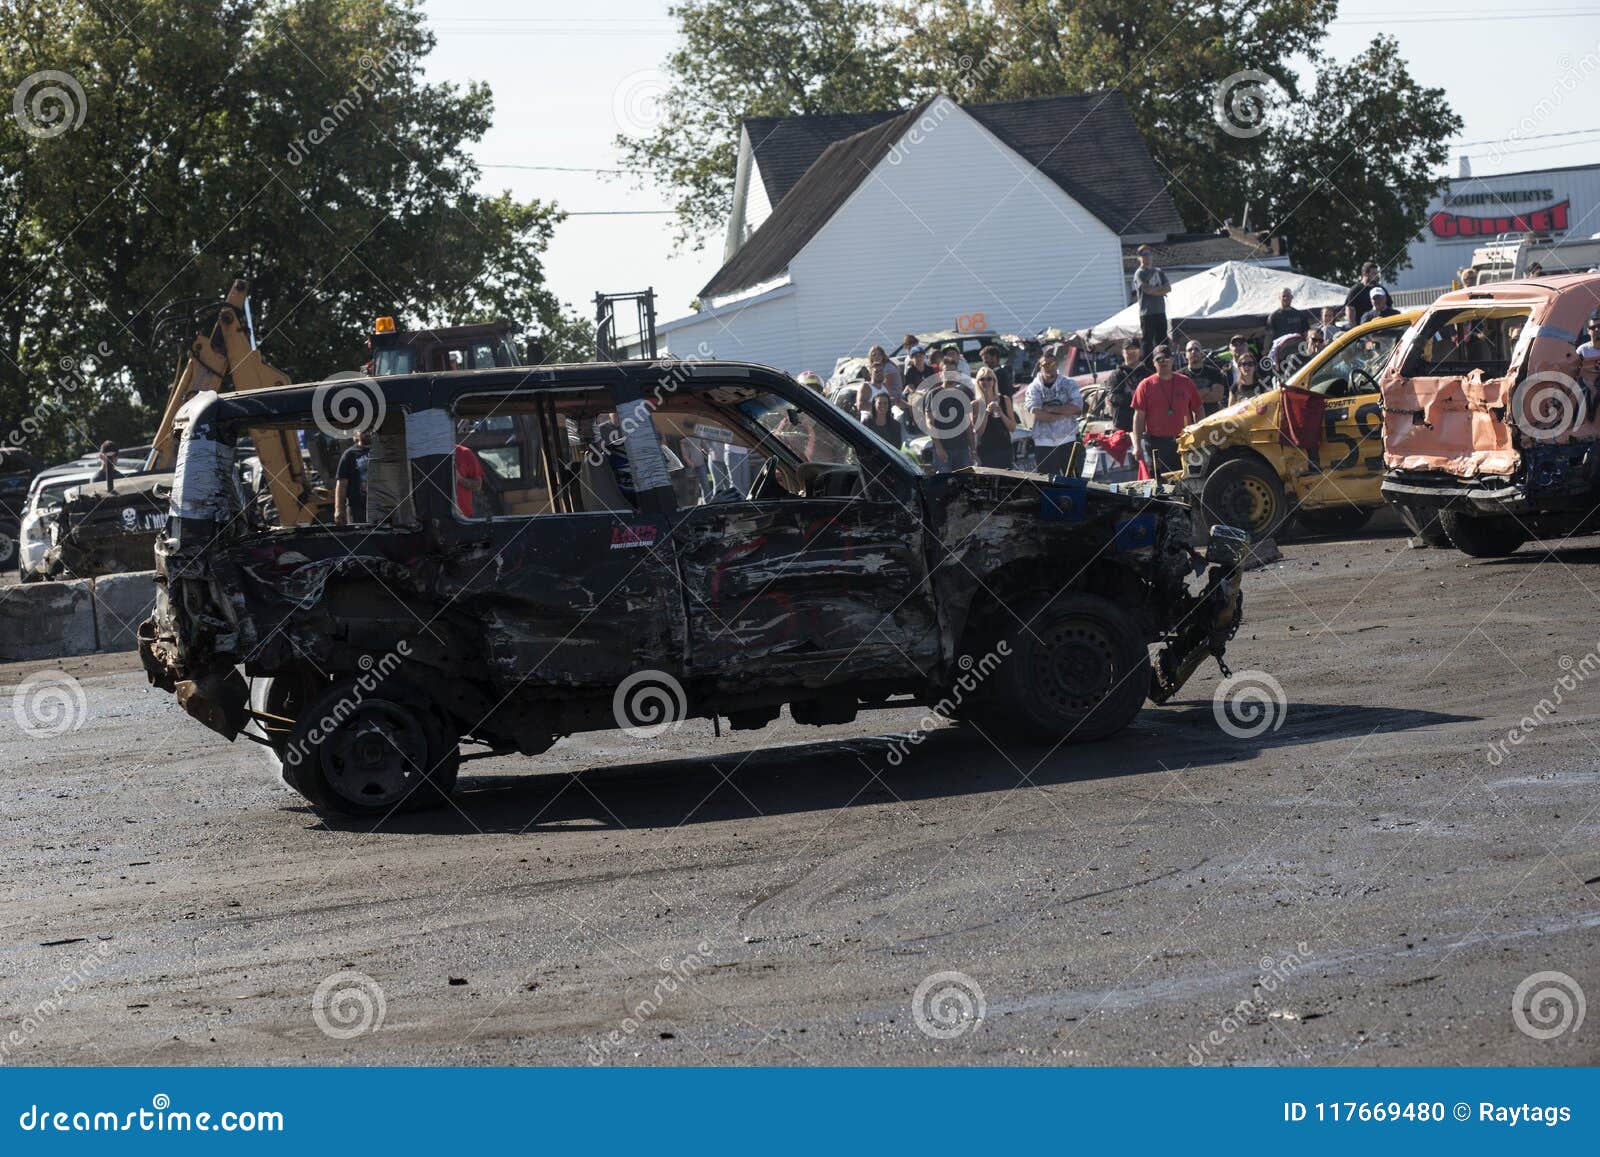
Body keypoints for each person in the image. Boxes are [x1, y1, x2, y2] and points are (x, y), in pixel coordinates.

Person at [1131, 345, 1203, 479]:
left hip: (1183, 442)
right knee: (1159, 483)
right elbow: (1139, 418)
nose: (1163, 361)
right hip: (1156, 444)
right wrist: (1137, 446)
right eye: (1159, 359)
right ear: (1154, 363)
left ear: (1173, 360)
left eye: (1166, 358)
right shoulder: (1145, 385)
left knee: (1186, 480)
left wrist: (1198, 435)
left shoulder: (1185, 382)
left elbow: (1198, 409)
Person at [1023, 352, 1084, 476]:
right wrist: (1064, 412)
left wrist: (1049, 409)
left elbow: (1077, 407)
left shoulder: (1069, 383)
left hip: (1069, 440)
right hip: (1044, 443)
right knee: (1049, 485)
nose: (1049, 367)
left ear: (1057, 365)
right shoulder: (1033, 388)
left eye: (1053, 364)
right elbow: (1037, 413)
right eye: (1045, 365)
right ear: (1040, 367)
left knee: (1074, 480)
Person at [915, 347, 976, 471]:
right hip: (943, 449)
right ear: (941, 374)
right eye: (946, 372)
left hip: (962, 448)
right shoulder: (933, 394)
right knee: (944, 485)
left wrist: (973, 449)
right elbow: (930, 423)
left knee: (963, 485)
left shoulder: (963, 393)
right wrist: (939, 447)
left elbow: (968, 424)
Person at [1131, 244, 1171, 362]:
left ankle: (1165, 361)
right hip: (1147, 313)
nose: (1147, 257)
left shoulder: (1159, 271)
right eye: (1144, 254)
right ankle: (1148, 365)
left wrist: (1156, 291)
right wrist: (1160, 290)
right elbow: (1146, 289)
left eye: (1149, 254)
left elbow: (1168, 288)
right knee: (1148, 342)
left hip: (1160, 311)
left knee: (1162, 339)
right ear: (1139, 257)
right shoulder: (1139, 273)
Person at [973, 366, 1017, 468]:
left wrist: (1001, 413)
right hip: (986, 451)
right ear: (978, 382)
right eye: (982, 379)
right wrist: (987, 412)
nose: (986, 382)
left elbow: (1013, 427)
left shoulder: (1005, 399)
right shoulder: (975, 405)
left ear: (994, 381)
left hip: (1005, 448)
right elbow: (978, 431)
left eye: (989, 378)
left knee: (1008, 482)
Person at [1099, 340, 1143, 430]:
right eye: (1128, 351)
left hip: (1145, 424)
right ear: (1123, 353)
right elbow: (1112, 397)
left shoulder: (1146, 373)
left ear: (1140, 352)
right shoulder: (1116, 375)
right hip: (1123, 426)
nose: (1131, 354)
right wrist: (1132, 396)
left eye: (1134, 351)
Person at [334, 429, 371, 525]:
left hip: (381, 506)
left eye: (369, 430)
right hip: (357, 509)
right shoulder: (349, 454)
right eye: (363, 430)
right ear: (356, 433)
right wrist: (339, 510)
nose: (367, 433)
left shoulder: (381, 451)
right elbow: (342, 484)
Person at [1184, 341, 1228, 415]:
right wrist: (1206, 390)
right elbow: (1184, 400)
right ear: (1185, 355)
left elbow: (1217, 396)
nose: (1193, 352)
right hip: (1190, 419)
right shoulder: (1180, 375)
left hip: (1212, 417)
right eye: (1190, 350)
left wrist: (1193, 397)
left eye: (1197, 349)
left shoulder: (1215, 372)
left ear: (1202, 353)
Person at [1344, 261, 1385, 327]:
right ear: (1365, 274)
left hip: (1379, 326)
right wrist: (1354, 329)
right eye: (1374, 273)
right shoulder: (1355, 290)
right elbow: (1349, 309)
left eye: (1377, 273)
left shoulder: (1379, 288)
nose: (1376, 276)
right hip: (1362, 328)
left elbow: (1388, 305)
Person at [454, 442, 485, 517]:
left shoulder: (464, 453)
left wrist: (460, 478)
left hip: (462, 517)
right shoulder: (424, 454)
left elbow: (478, 485)